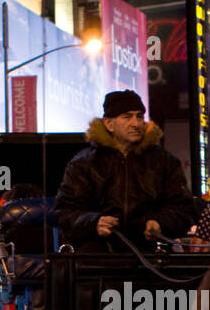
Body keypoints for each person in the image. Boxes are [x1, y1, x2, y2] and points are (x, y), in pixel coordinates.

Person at [55, 90, 201, 252]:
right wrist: (93, 223)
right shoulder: (83, 164)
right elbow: (64, 213)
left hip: (151, 256)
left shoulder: (164, 161)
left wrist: (160, 223)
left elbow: (184, 210)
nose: (136, 123)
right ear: (109, 124)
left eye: (139, 116)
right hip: (98, 258)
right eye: (127, 116)